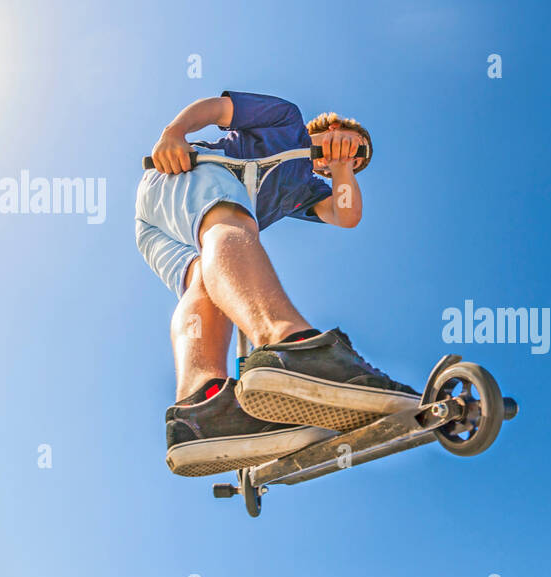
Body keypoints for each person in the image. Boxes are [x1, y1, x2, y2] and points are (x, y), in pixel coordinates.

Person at [136, 91, 419, 477]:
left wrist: (341, 171)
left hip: (156, 230)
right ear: (337, 128)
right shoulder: (287, 120)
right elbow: (218, 109)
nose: (352, 159)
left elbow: (345, 214)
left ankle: (200, 407)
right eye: (357, 148)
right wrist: (174, 133)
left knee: (203, 282)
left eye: (358, 162)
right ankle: (290, 344)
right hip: (183, 173)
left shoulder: (304, 189)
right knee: (232, 222)